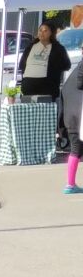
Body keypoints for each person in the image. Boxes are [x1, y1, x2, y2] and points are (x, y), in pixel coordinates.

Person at [18, 21, 71, 101]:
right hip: (28, 86)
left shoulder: (58, 48)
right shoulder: (30, 47)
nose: (42, 33)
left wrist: (54, 69)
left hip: (48, 87)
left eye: (45, 31)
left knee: (47, 110)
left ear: (52, 33)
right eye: (40, 30)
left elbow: (66, 65)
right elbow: (22, 65)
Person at [62, 51, 83, 194]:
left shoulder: (73, 73)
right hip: (80, 115)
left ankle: (70, 184)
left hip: (71, 116)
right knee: (76, 149)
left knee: (75, 149)